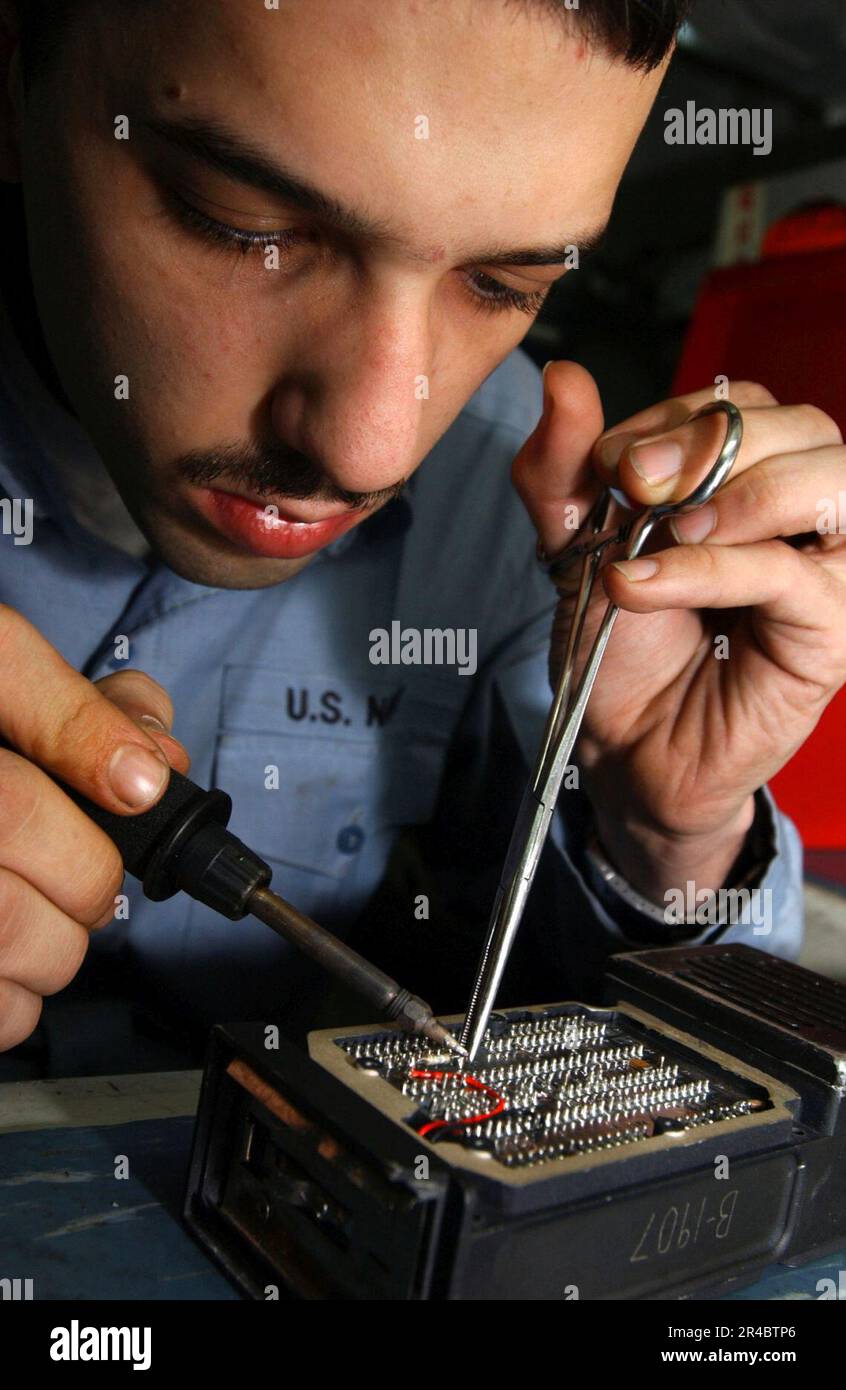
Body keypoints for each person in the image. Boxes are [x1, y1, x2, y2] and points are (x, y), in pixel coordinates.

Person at [0, 0, 841, 1072]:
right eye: (247, 226)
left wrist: (670, 833)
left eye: (504, 285)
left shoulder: (532, 493)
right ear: (16, 76)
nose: (371, 446)